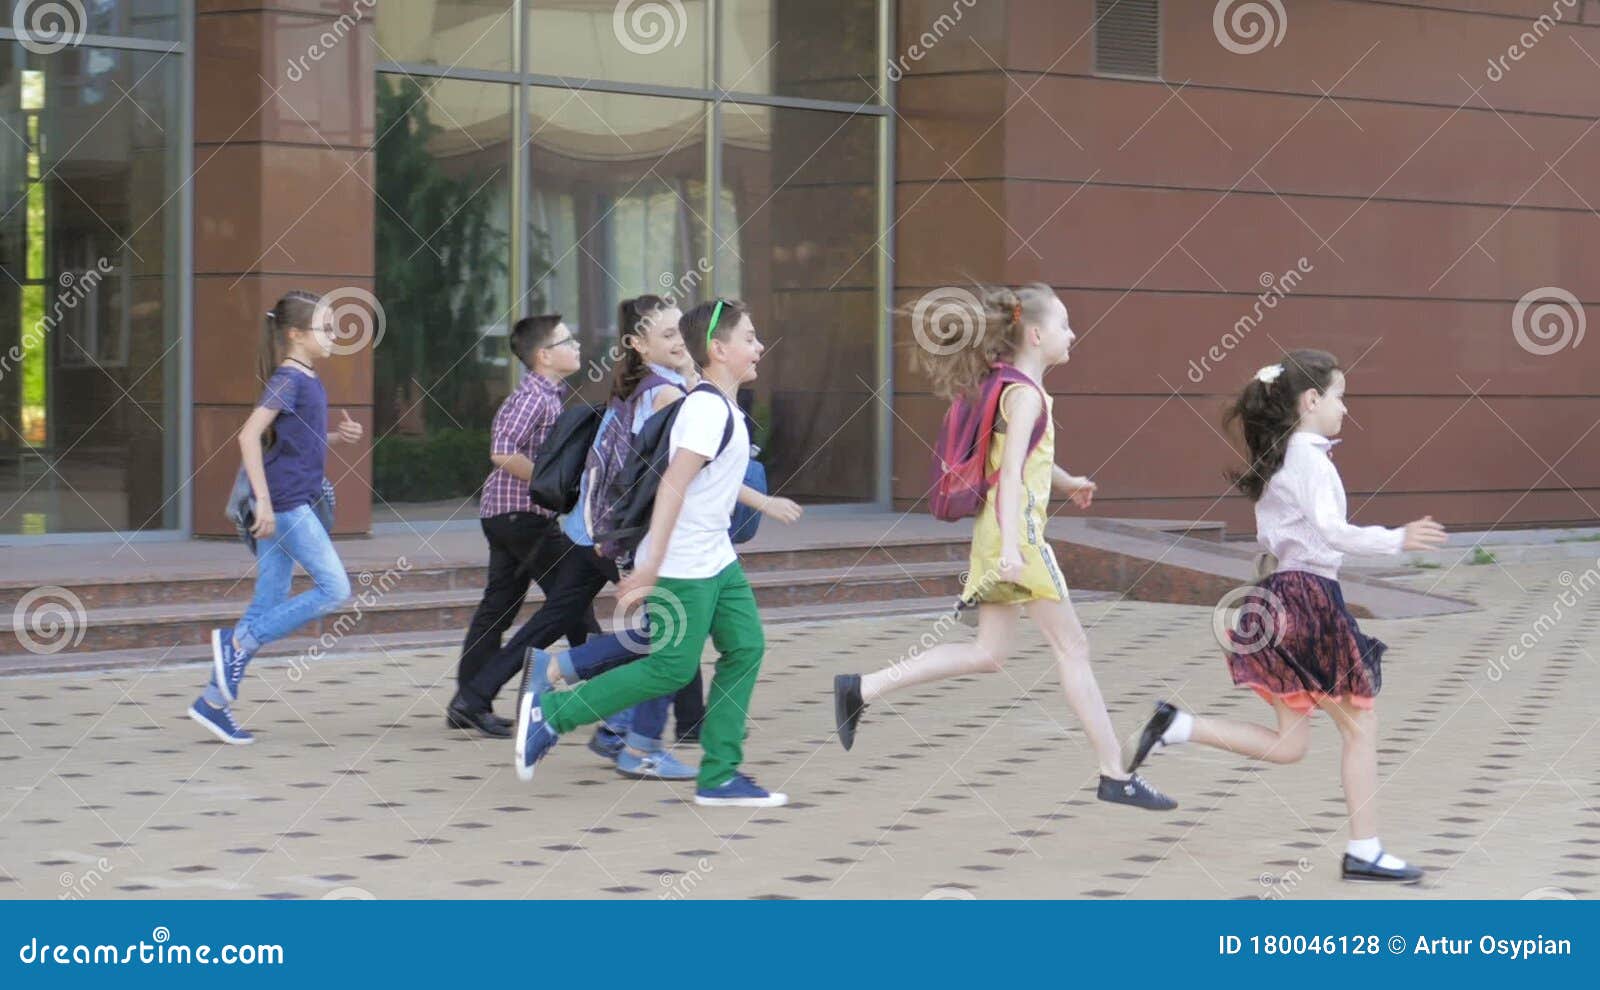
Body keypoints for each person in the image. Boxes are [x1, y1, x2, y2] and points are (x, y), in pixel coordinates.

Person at [832, 284, 1174, 811]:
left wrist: (1065, 482)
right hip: (1018, 536)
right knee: (1072, 648)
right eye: (1064, 324)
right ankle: (1114, 773)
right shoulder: (1026, 394)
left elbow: (1019, 457)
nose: (1072, 334)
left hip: (997, 534)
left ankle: (862, 688)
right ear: (1036, 335)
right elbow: (1010, 473)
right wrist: (1015, 548)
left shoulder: (1009, 386)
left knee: (988, 654)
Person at [1125, 350, 1447, 883]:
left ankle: (1177, 726)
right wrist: (1397, 539)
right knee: (1361, 726)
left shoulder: (1283, 456)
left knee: (1290, 744)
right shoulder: (1308, 459)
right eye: (1341, 397)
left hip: (1281, 597)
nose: (1346, 409)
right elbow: (1330, 531)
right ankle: (1364, 850)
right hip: (1307, 600)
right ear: (1312, 399)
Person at [516, 299, 790, 807]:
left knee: (746, 647)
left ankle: (720, 775)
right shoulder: (706, 409)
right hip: (687, 562)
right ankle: (551, 715)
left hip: (717, 561)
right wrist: (649, 566)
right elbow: (672, 488)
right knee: (669, 668)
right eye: (749, 338)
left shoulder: (718, 405)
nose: (759, 347)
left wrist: (764, 503)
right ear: (718, 348)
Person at [191, 291, 360, 745]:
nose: (332, 336)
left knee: (270, 598)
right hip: (285, 505)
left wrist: (335, 437)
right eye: (324, 328)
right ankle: (237, 644)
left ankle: (211, 702)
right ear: (296, 335)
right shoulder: (289, 378)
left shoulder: (305, 377)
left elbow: (295, 439)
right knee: (336, 588)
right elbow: (249, 437)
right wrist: (263, 503)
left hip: (289, 500)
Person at [447, 315, 595, 737]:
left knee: (499, 609)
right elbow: (501, 451)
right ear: (544, 355)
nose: (578, 345)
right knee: (572, 600)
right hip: (521, 516)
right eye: (569, 340)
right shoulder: (535, 396)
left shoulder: (547, 394)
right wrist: (552, 486)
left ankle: (468, 702)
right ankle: (611, 702)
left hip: (507, 514)